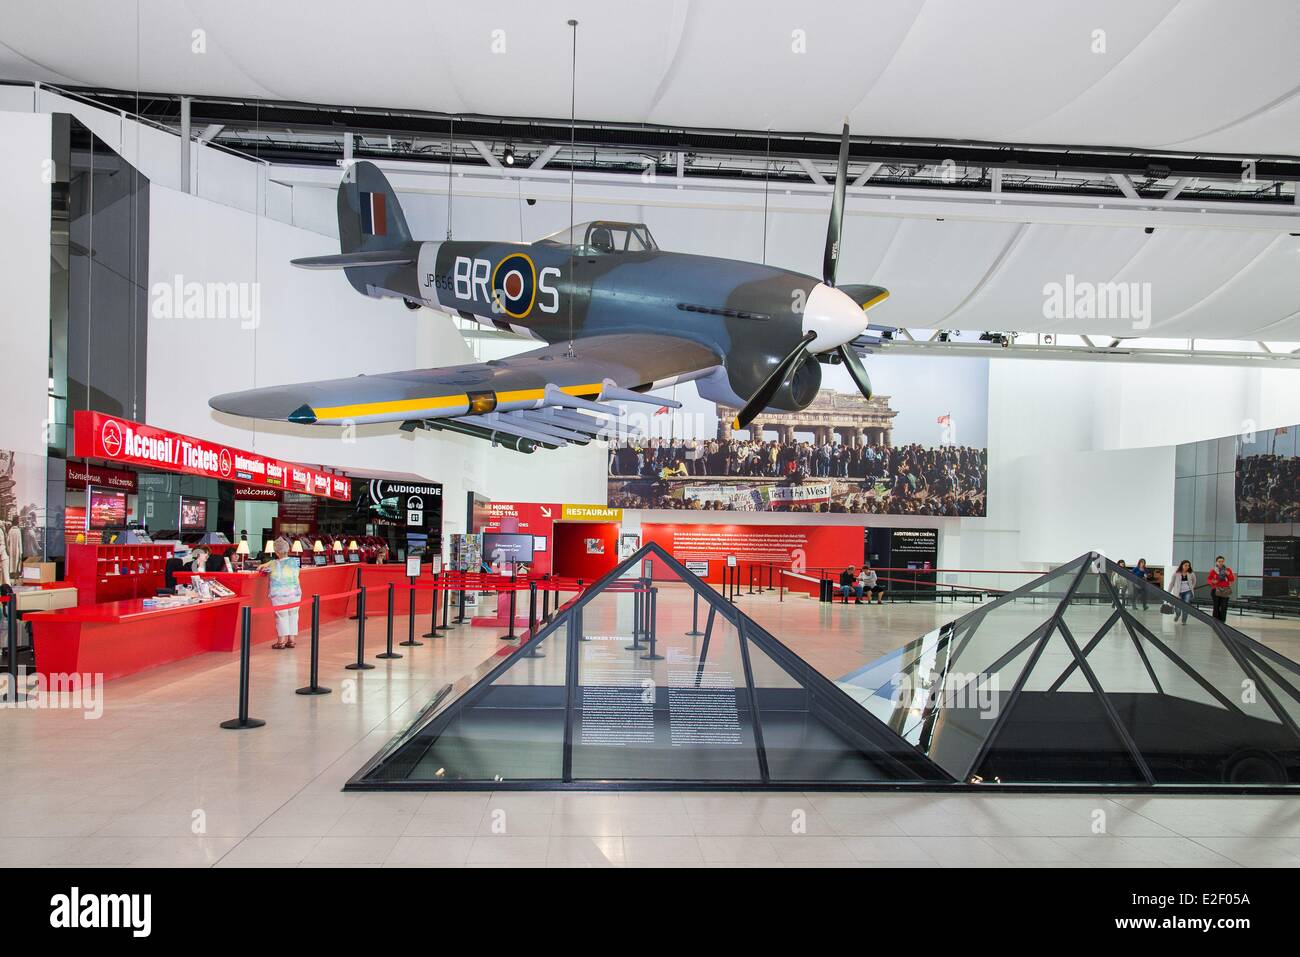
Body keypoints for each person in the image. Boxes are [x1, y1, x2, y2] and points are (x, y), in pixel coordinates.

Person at [258, 536, 302, 649]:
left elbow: (260, 568)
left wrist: (265, 565)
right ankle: (291, 640)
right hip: (295, 593)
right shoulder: (294, 561)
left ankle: (281, 641)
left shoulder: (273, 563)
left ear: (277, 552)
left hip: (279, 595)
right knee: (293, 614)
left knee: (281, 616)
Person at [1207, 555, 1236, 622]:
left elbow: (1232, 579)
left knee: (1224, 607)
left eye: (1222, 561)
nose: (1221, 563)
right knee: (1216, 607)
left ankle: (1222, 622)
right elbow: (1209, 580)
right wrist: (1212, 582)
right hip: (1215, 590)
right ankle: (1215, 621)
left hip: (1225, 590)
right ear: (1216, 562)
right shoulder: (1213, 571)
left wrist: (1228, 574)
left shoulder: (1228, 570)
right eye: (1219, 561)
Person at [1167, 559, 1195, 624]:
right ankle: (1178, 615)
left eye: (1188, 565)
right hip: (1178, 593)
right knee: (1178, 606)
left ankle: (1184, 620)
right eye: (1185, 565)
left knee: (1186, 606)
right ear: (1182, 565)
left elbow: (1194, 581)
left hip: (1187, 592)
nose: (1187, 567)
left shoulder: (1191, 573)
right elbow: (1172, 583)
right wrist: (1168, 592)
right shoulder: (1176, 573)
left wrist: (1191, 588)